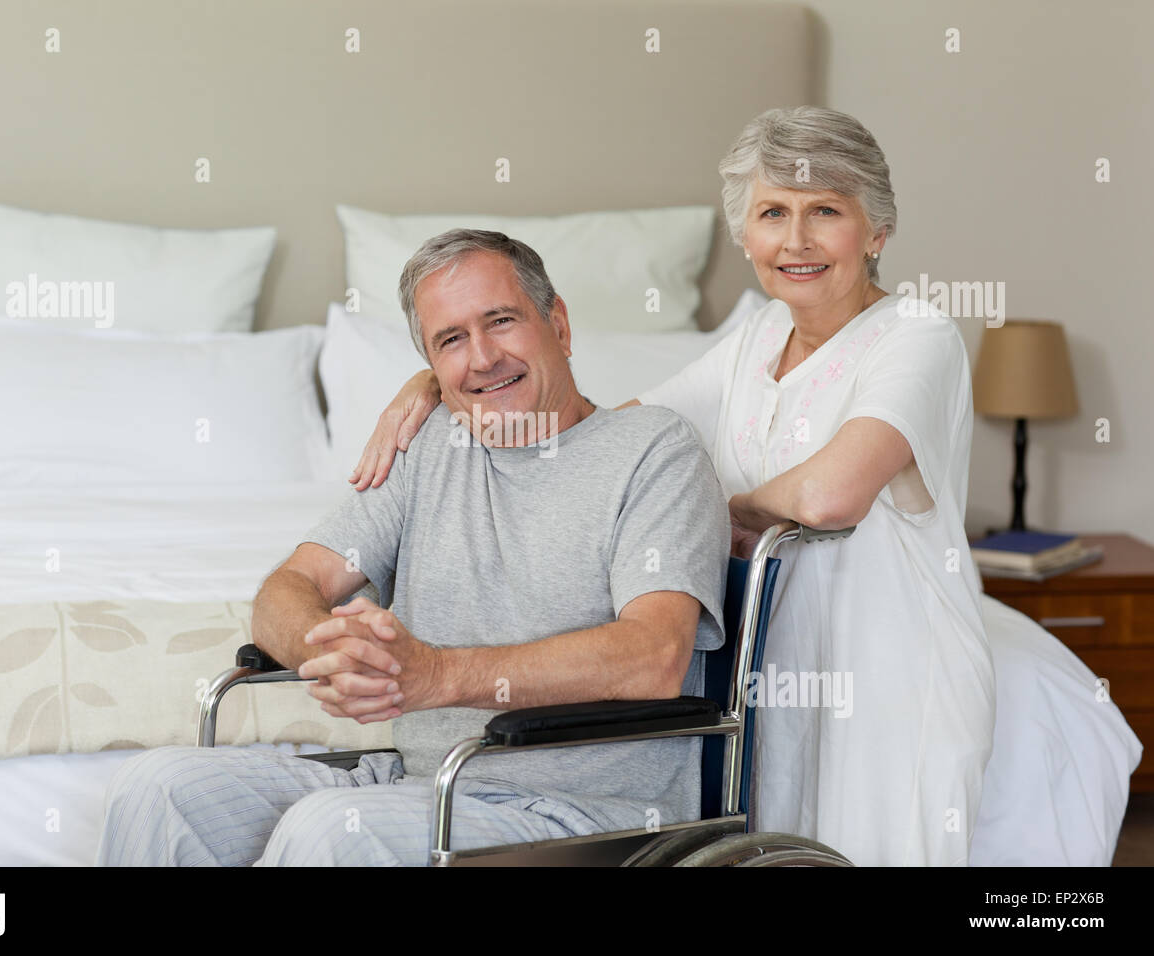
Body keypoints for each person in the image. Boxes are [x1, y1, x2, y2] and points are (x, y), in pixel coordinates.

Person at [350, 106, 997, 866]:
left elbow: (830, 498)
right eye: (772, 213)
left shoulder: (916, 335)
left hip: (895, 680)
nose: (796, 240)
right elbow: (602, 428)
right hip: (774, 679)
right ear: (745, 234)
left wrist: (722, 510)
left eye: (826, 210)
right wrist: (453, 378)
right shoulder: (755, 339)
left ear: (877, 230)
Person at [96, 229, 730, 866]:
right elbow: (293, 586)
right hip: (417, 785)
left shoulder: (654, 450)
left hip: (580, 816)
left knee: (332, 831)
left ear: (557, 323)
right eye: (451, 340)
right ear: (431, 363)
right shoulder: (430, 447)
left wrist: (436, 675)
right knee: (158, 790)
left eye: (501, 321)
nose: (481, 359)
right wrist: (336, 651)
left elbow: (654, 655)